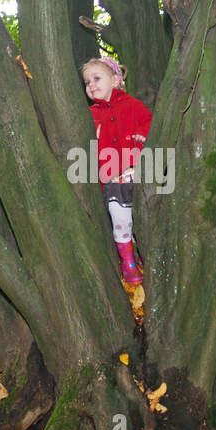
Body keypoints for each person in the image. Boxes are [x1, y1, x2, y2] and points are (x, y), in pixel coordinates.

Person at [81, 55, 151, 285]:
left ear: (115, 79)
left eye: (96, 78)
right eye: (87, 82)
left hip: (138, 173)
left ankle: (143, 253)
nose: (91, 85)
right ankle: (128, 260)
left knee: (142, 217)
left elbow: (150, 123)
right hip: (111, 179)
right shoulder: (90, 115)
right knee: (121, 218)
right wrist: (92, 138)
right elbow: (83, 148)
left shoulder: (132, 105)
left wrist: (143, 133)